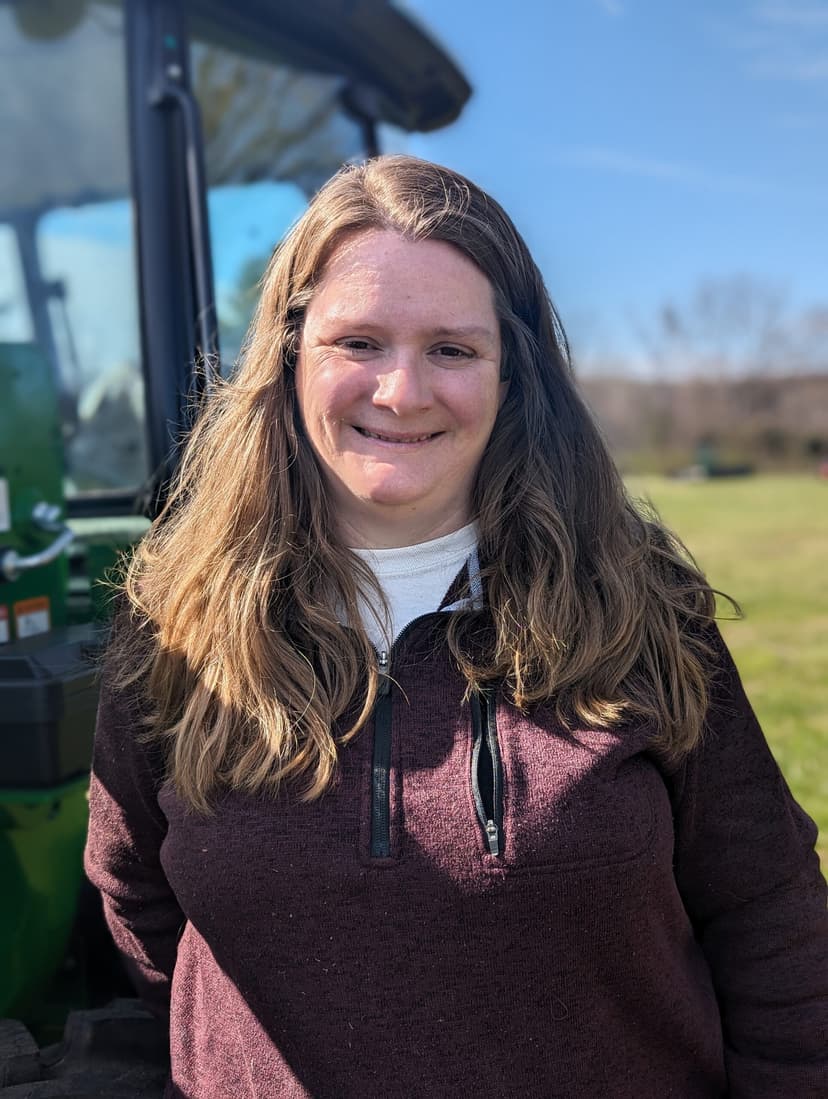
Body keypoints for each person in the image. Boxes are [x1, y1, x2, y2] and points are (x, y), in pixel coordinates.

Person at [85, 155, 828, 1099]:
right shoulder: (177, 623)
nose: (401, 391)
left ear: (513, 374)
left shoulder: (639, 605)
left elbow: (771, 914)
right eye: (358, 342)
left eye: (451, 348)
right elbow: (138, 904)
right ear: (288, 352)